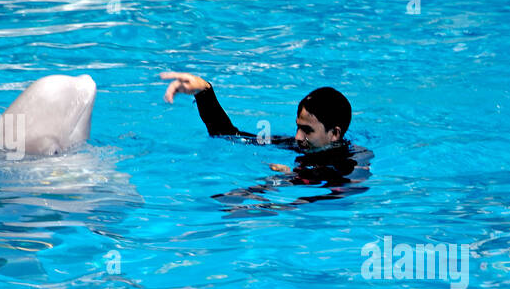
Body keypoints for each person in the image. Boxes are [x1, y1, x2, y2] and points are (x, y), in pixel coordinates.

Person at [158, 72, 370, 203]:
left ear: (335, 134)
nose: (297, 137)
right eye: (298, 127)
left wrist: (295, 180)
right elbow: (228, 135)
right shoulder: (297, 145)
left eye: (307, 130)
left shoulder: (355, 159)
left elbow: (345, 192)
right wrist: (204, 92)